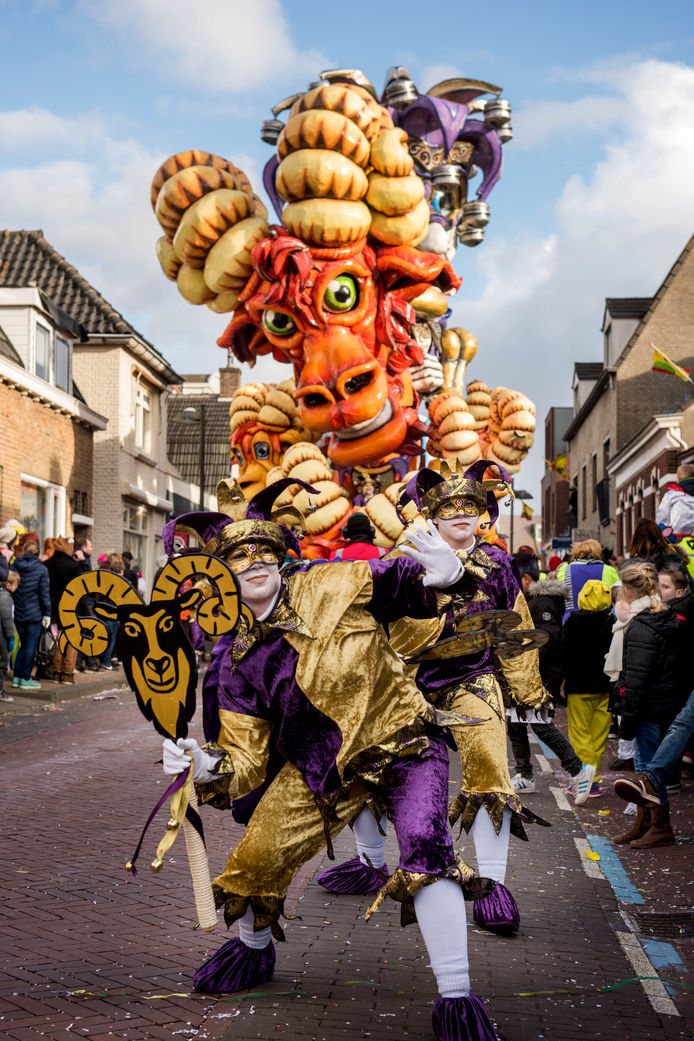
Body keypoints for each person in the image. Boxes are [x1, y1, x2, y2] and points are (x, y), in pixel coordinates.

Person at [161, 477, 501, 1041]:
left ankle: (457, 997)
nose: (253, 562)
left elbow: (397, 578)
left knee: (425, 845)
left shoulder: (328, 581)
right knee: (257, 856)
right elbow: (245, 757)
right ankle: (251, 949)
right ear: (218, 575)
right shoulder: (237, 660)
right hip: (321, 769)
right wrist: (203, 763)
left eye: (262, 551)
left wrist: (444, 575)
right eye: (238, 557)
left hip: (402, 741)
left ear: (280, 555)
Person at [320, 462, 551, 935]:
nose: (461, 514)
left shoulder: (498, 565)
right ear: (432, 514)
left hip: (471, 679)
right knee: (365, 765)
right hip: (407, 684)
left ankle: (492, 887)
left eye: (470, 506)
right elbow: (382, 628)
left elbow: (517, 627)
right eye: (449, 508)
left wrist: (528, 690)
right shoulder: (406, 560)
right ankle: (369, 863)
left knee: (490, 770)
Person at [611, 561, 688, 848]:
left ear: (628, 591)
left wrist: (627, 724)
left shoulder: (641, 625)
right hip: (665, 702)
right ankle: (644, 825)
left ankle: (659, 827)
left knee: (647, 769)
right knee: (648, 768)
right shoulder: (665, 617)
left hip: (648, 706)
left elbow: (637, 678)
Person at [508, 554, 596, 802]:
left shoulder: (542, 603)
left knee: (539, 724)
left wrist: (524, 659)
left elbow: (546, 638)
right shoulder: (532, 601)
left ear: (526, 579)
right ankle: (525, 775)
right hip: (527, 674)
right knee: (515, 721)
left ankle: (578, 770)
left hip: (540, 676)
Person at [562, 580, 615, 794]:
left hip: (579, 685)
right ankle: (594, 781)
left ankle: (585, 775)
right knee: (599, 735)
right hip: (605, 686)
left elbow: (565, 653)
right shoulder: (613, 621)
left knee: (579, 733)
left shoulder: (573, 621)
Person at [613, 688, 694, 809]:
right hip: (658, 701)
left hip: (653, 704)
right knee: (683, 723)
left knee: (683, 724)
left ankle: (651, 782)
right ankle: (651, 781)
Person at [10, 533, 51, 691]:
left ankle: (17, 677)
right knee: (30, 646)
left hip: (18, 612)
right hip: (34, 614)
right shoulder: (42, 569)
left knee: (23, 645)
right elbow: (44, 594)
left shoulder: (14, 566)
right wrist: (47, 614)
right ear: (37, 552)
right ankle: (25, 678)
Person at [45, 537, 83, 683]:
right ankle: (67, 673)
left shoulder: (47, 564)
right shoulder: (73, 566)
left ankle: (55, 672)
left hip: (52, 608)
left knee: (56, 639)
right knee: (71, 641)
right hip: (70, 608)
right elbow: (81, 587)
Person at [556, 540, 619, 615]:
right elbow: (617, 596)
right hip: (602, 619)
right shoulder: (609, 571)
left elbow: (559, 596)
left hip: (571, 618)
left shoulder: (565, 570)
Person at [98, 553, 124, 671]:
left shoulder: (105, 578)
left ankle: (103, 661)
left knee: (104, 637)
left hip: (103, 609)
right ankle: (106, 662)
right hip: (113, 612)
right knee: (111, 638)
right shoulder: (119, 581)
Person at [656, 463, 694, 535]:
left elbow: (661, 521)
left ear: (678, 479)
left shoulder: (671, 495)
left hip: (677, 539)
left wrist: (669, 537)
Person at [0, 569, 19, 701]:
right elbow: (7, 620)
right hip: (3, 637)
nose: (16, 588)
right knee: (3, 663)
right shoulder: (6, 598)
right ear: (9, 584)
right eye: (16, 585)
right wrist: (11, 636)